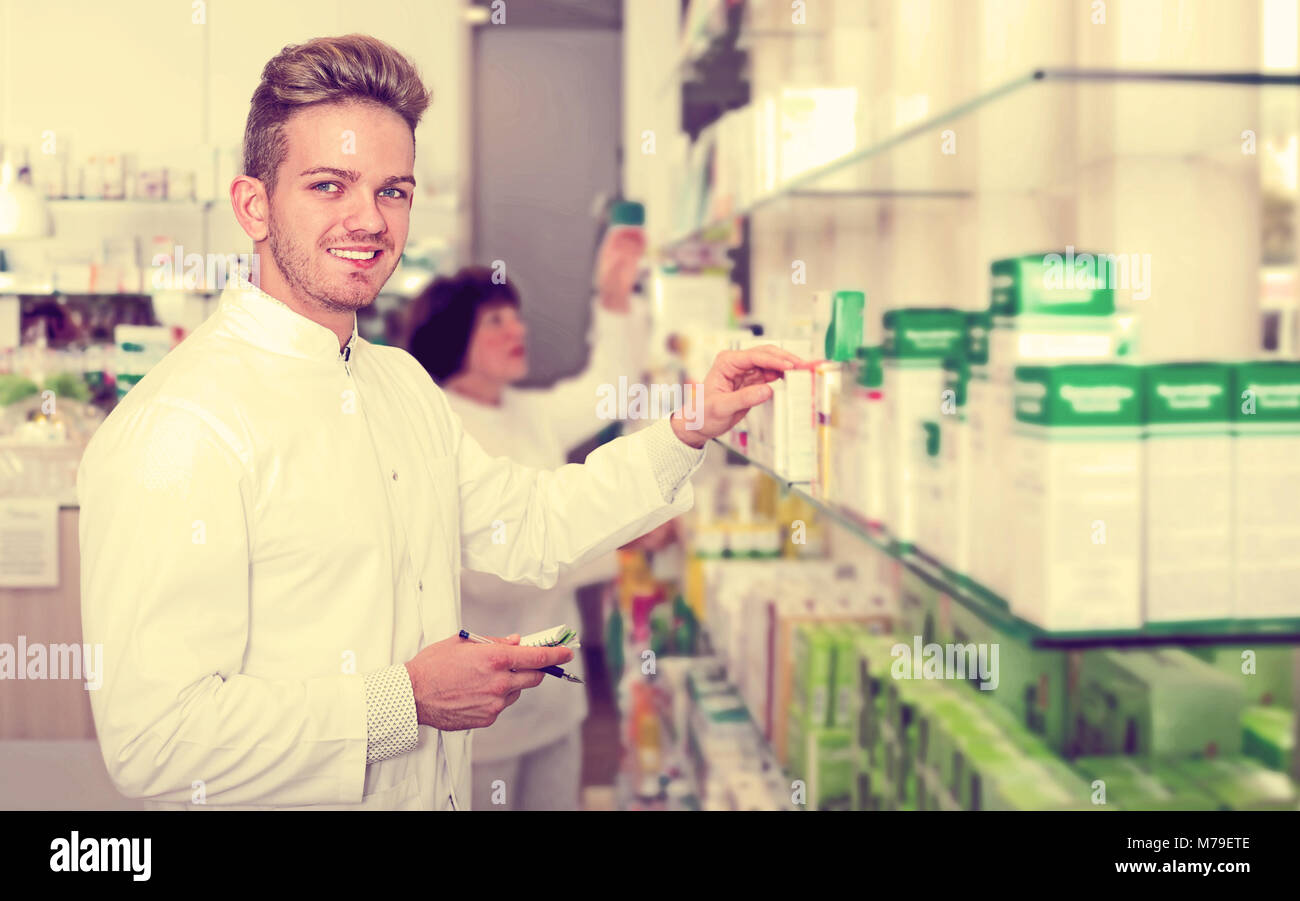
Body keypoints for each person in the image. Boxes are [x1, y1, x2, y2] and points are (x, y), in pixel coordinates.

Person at [76, 33, 801, 811]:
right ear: (253, 204)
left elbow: (528, 523)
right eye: (328, 185)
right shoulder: (180, 427)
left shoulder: (401, 385)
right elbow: (155, 739)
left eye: (393, 191)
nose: (368, 219)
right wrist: (405, 702)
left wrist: (690, 426)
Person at [407, 243, 650, 811]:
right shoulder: (437, 427)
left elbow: (609, 386)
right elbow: (493, 572)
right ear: (452, 337)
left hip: (557, 699)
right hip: (482, 707)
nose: (516, 329)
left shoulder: (526, 411)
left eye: (515, 316)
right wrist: (621, 545)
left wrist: (612, 297)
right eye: (494, 320)